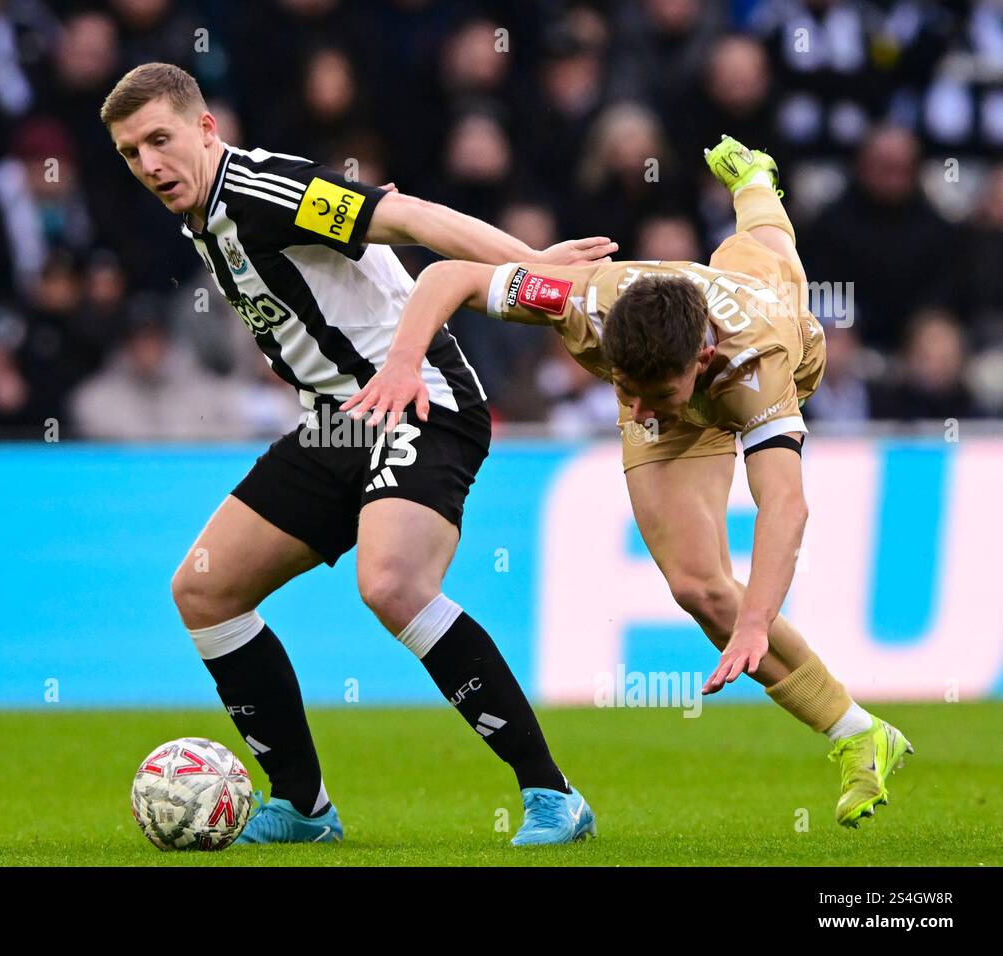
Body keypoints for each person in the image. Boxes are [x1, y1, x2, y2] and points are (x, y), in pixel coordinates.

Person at [102, 62, 617, 846]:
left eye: (161, 141)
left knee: (391, 584)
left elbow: (409, 216)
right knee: (204, 593)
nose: (149, 165)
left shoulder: (260, 190)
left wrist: (535, 267)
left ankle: (554, 795)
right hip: (338, 424)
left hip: (423, 402)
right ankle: (304, 808)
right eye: (132, 153)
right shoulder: (201, 215)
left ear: (207, 129)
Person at [345, 135, 913, 828]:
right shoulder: (579, 300)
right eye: (626, 388)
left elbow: (785, 507)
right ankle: (860, 733)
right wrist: (404, 361)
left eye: (651, 392)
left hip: (770, 325)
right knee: (701, 590)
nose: (635, 408)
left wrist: (758, 622)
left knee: (762, 250)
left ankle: (756, 176)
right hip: (674, 365)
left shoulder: (757, 369)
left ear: (702, 357)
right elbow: (447, 278)